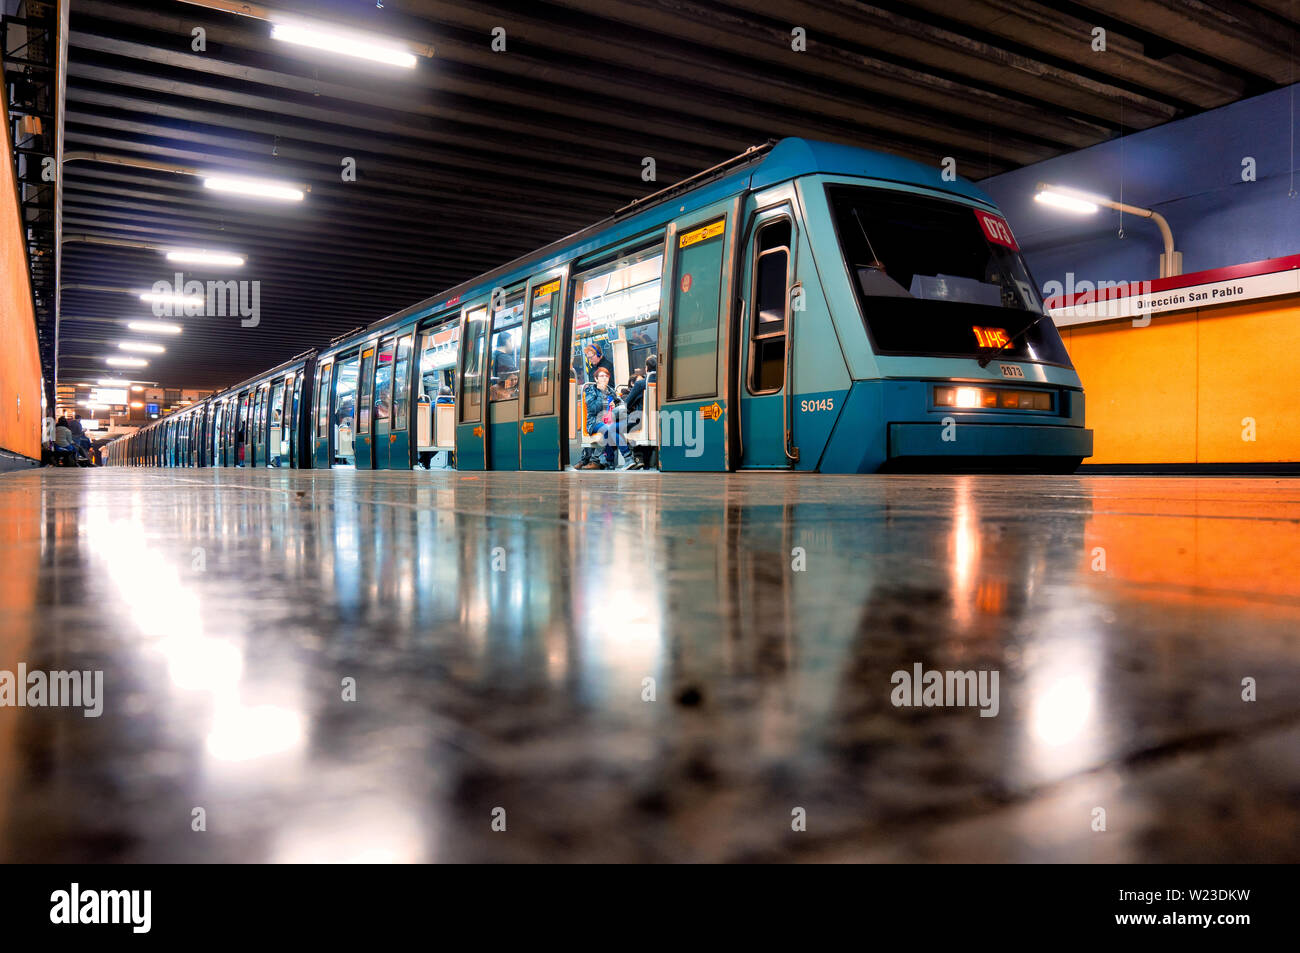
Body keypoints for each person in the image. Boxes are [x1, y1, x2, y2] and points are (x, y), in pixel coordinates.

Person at [578, 366, 634, 470]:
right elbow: (593, 409)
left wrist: (615, 405)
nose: (604, 378)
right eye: (601, 376)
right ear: (596, 379)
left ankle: (612, 461)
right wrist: (603, 395)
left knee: (612, 428)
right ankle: (625, 458)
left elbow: (621, 404)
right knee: (608, 429)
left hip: (609, 420)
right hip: (594, 422)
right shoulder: (591, 390)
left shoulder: (610, 390)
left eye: (606, 376)